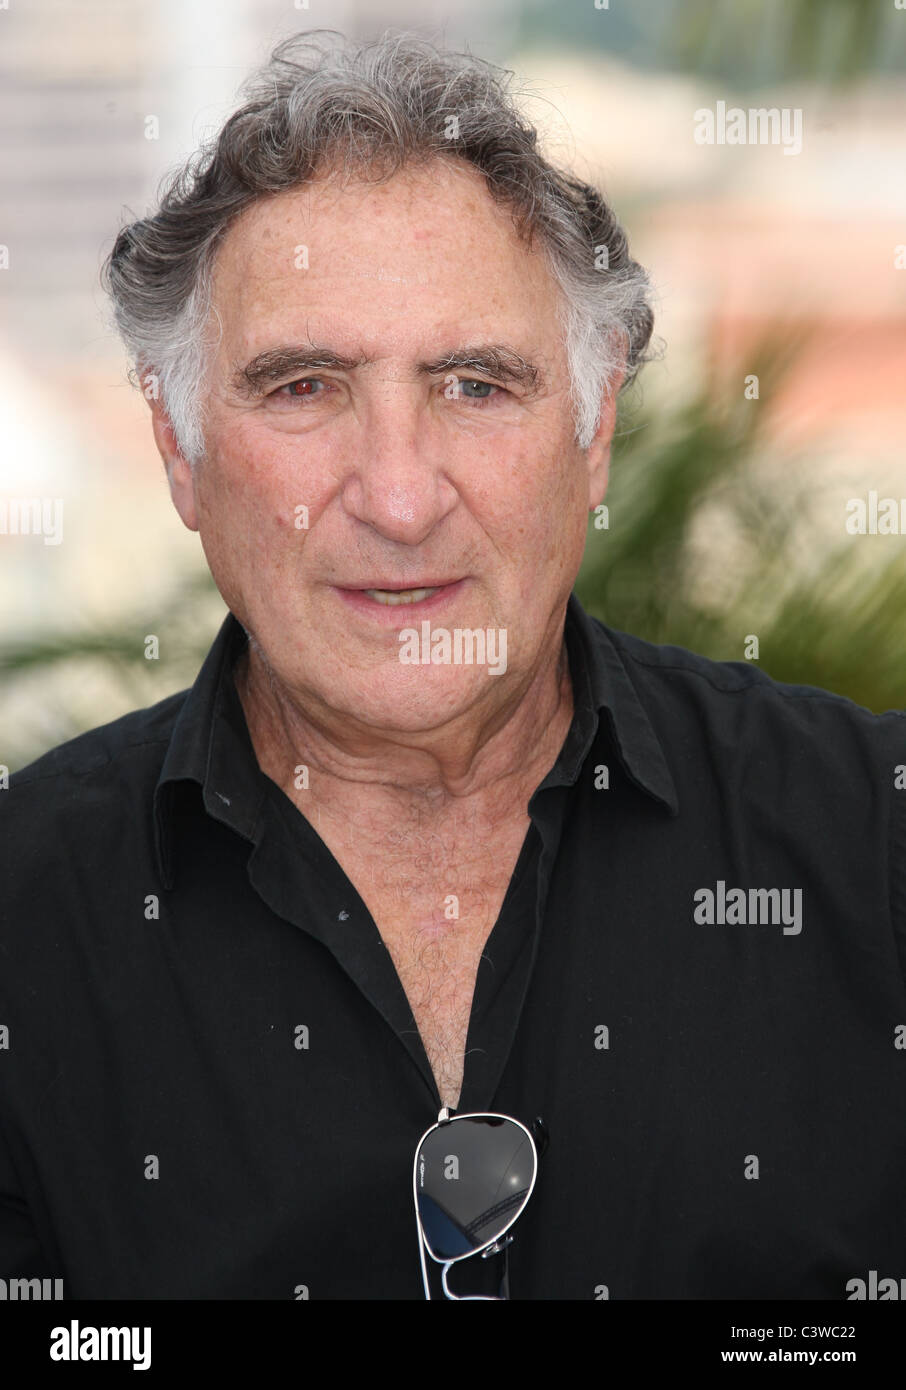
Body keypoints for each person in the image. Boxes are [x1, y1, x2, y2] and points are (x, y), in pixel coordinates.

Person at [1, 30, 904, 1302]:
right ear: (180, 447)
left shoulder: (873, 848)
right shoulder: (24, 922)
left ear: (595, 435)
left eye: (476, 385)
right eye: (305, 385)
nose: (401, 495)